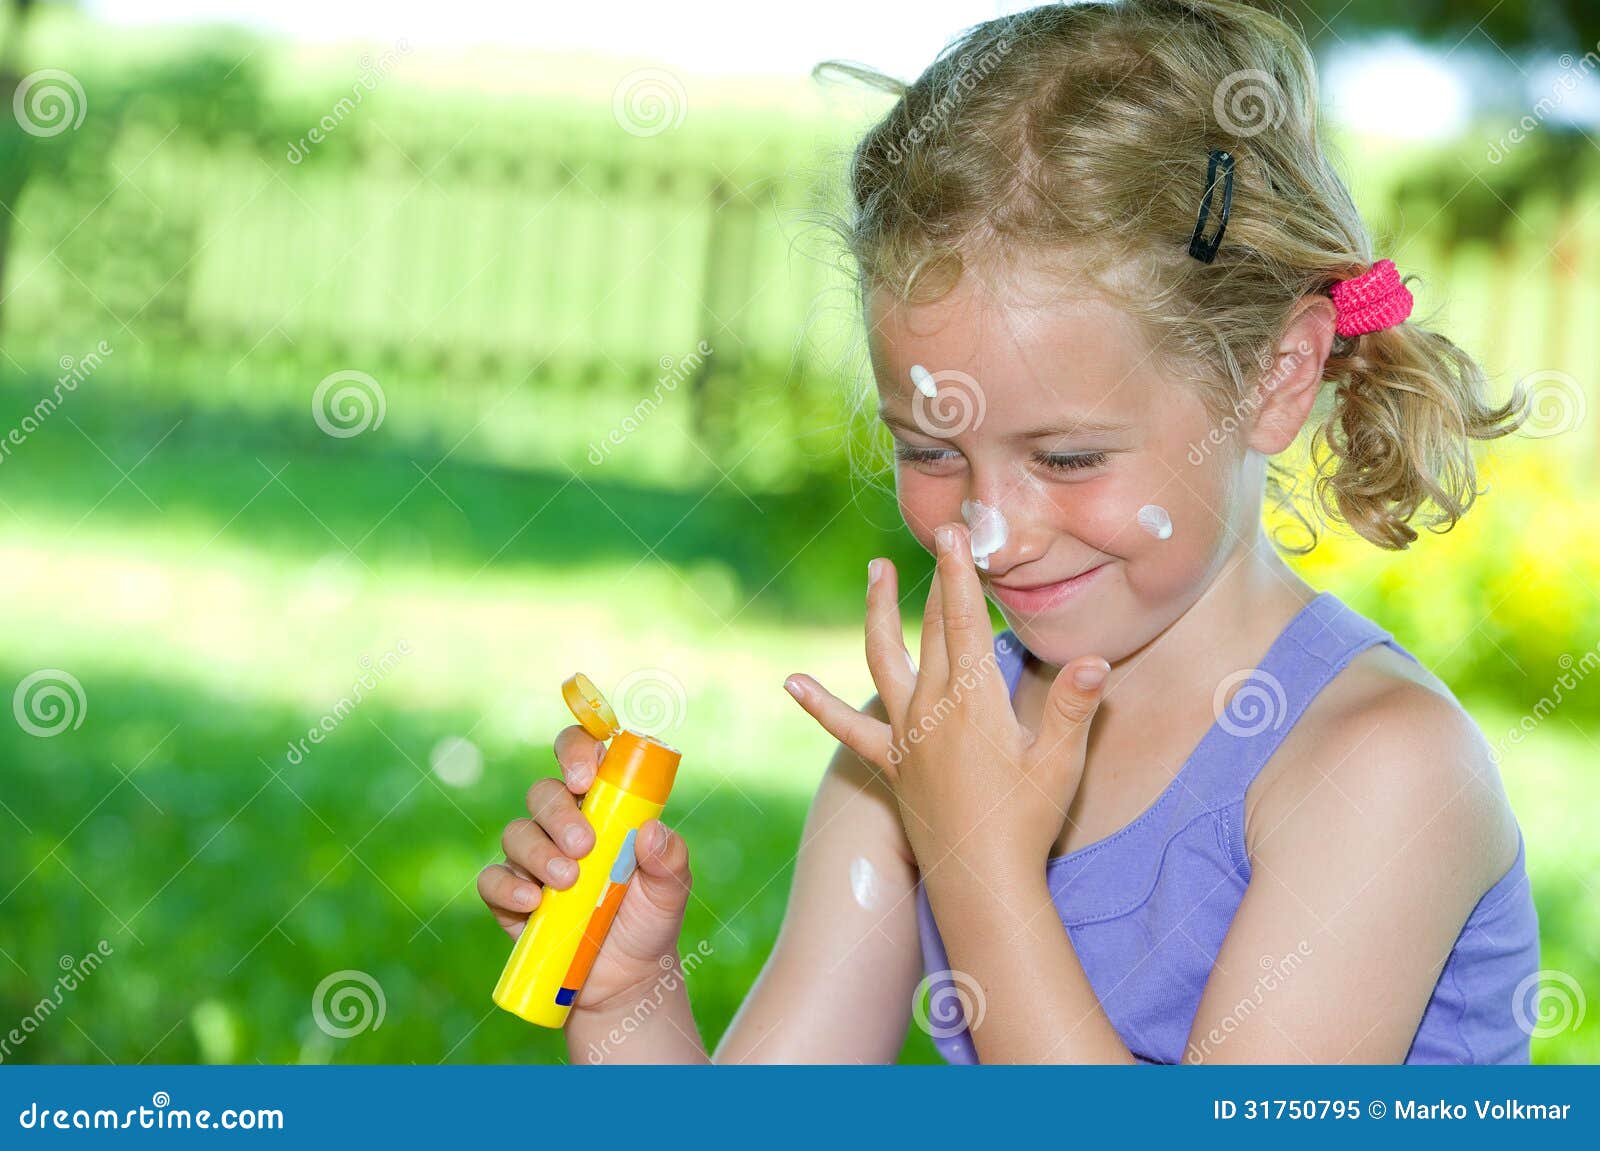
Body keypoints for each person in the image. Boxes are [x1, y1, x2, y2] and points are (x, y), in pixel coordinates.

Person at [478, 0, 1538, 1063]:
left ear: (1275, 375)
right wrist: (624, 995)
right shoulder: (914, 755)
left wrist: (976, 857)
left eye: (1067, 458)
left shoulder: (1381, 772)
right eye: (933, 452)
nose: (989, 531)